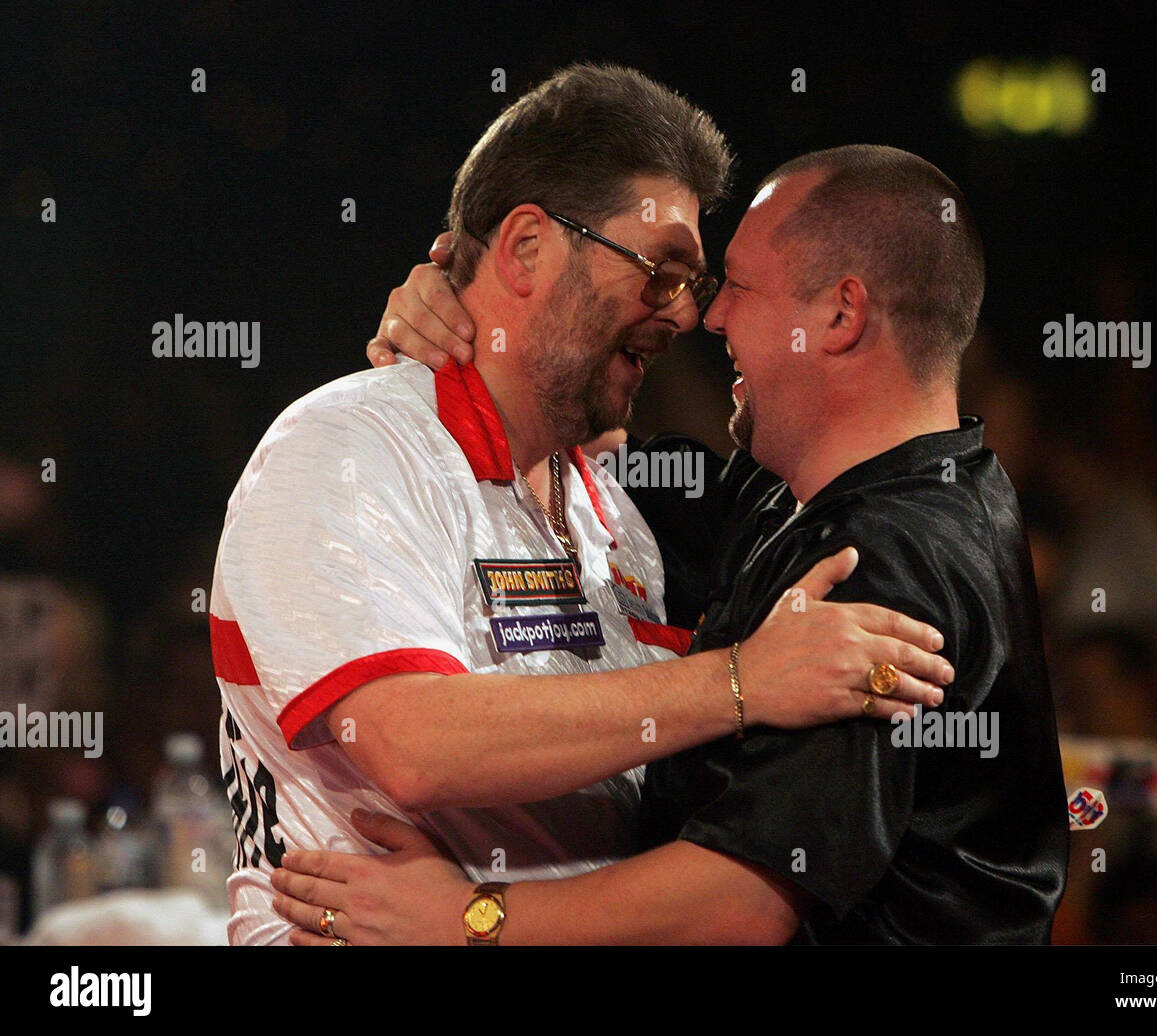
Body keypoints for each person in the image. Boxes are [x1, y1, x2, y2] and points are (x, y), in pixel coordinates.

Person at [214, 67, 950, 945]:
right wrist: (741, 683)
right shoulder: (347, 449)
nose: (685, 316)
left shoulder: (623, 504)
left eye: (696, 284)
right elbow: (410, 743)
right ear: (527, 249)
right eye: (660, 271)